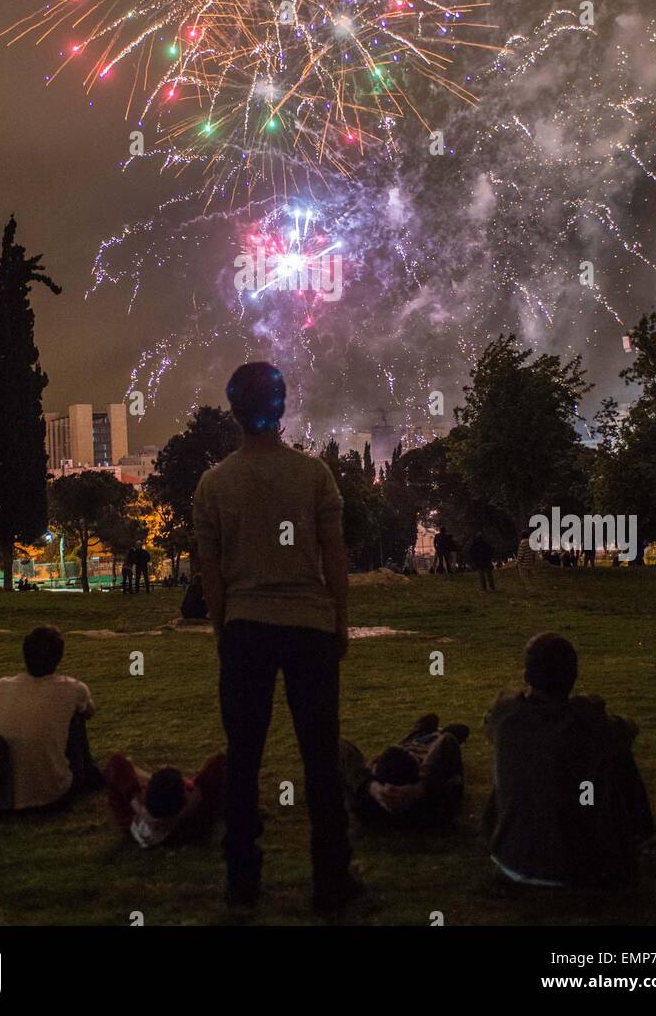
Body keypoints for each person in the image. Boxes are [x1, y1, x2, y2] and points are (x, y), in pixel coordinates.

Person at [193, 361, 358, 914]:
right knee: (320, 758)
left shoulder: (214, 484)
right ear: (282, 408)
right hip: (308, 625)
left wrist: (223, 628)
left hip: (245, 628)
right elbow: (334, 558)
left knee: (243, 758)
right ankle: (332, 881)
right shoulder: (314, 477)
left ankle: (243, 883)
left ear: (233, 411)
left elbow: (209, 572)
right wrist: (339, 620)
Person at [482, 633, 656, 888]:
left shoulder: (505, 713)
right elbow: (628, 730)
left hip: (509, 859)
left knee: (525, 761)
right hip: (576, 867)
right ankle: (641, 836)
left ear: (528, 674)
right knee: (617, 754)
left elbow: (491, 727)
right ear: (572, 675)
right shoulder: (586, 720)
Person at [0, 625, 102, 812]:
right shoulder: (73, 688)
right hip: (54, 793)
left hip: (10, 794)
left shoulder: (3, 685)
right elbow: (90, 713)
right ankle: (87, 773)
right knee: (77, 716)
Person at [340, 713, 470, 828]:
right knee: (444, 733)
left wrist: (371, 787)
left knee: (413, 738)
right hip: (428, 752)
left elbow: (341, 747)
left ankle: (421, 731)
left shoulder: (363, 802)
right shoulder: (434, 802)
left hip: (403, 761)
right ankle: (427, 733)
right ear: (417, 772)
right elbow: (448, 741)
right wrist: (419, 789)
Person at [104, 751, 226, 849]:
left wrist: (136, 802)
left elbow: (116, 763)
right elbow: (220, 762)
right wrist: (196, 794)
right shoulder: (197, 818)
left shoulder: (130, 821)